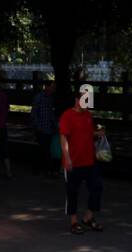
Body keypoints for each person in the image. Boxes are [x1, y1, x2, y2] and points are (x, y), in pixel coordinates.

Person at [59, 85, 103, 234]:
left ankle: (88, 217)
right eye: (84, 100)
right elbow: (63, 138)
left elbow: (89, 134)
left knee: (97, 187)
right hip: (74, 161)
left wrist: (98, 134)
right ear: (77, 100)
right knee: (72, 192)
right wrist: (67, 158)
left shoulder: (88, 116)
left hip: (89, 160)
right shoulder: (67, 116)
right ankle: (73, 221)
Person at [30, 80, 58, 175]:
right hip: (41, 127)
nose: (54, 89)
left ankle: (40, 168)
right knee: (44, 149)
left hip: (48, 128)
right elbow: (34, 113)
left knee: (44, 149)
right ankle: (48, 169)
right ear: (46, 87)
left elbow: (51, 114)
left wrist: (54, 125)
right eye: (52, 87)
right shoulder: (39, 97)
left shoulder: (51, 98)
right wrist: (37, 126)